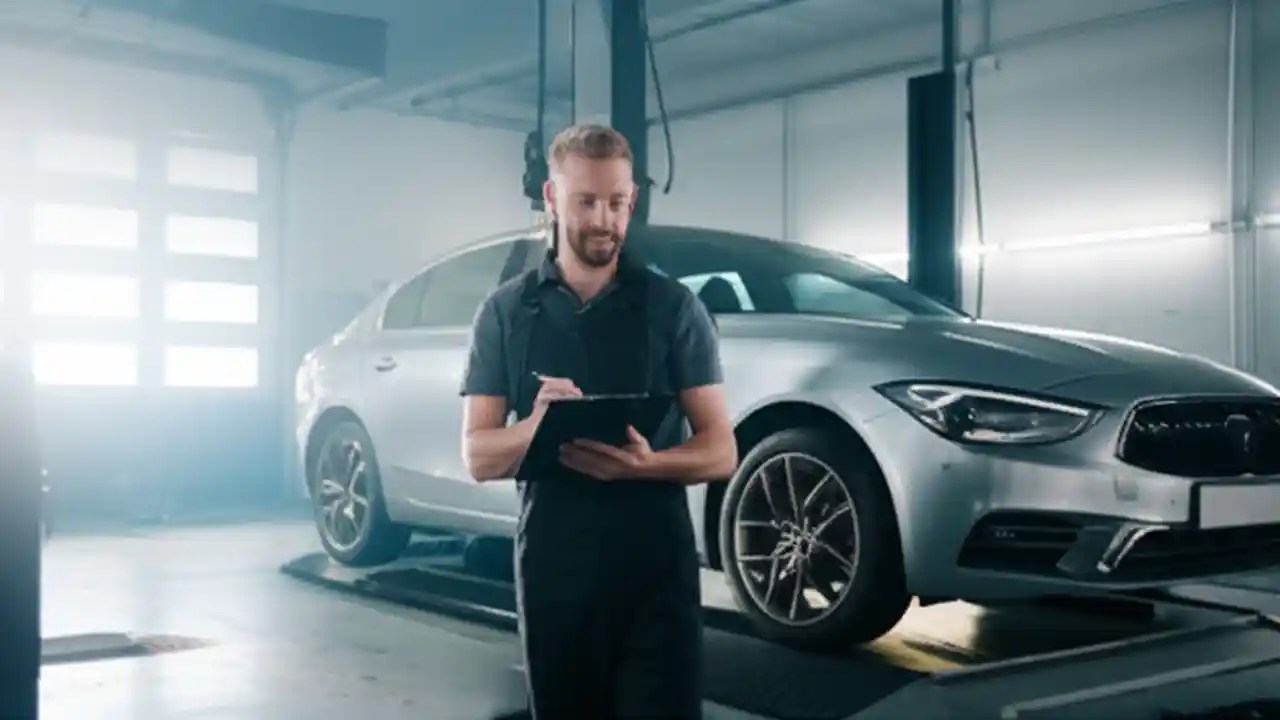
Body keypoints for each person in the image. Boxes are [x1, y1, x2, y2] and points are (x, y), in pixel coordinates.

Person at [459, 123, 738, 719]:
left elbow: (721, 451)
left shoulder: (674, 308)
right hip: (555, 570)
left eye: (616, 202)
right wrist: (536, 424)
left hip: (655, 571)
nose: (603, 219)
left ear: (632, 199)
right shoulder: (505, 313)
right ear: (553, 198)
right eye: (586, 202)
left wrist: (649, 465)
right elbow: (478, 455)